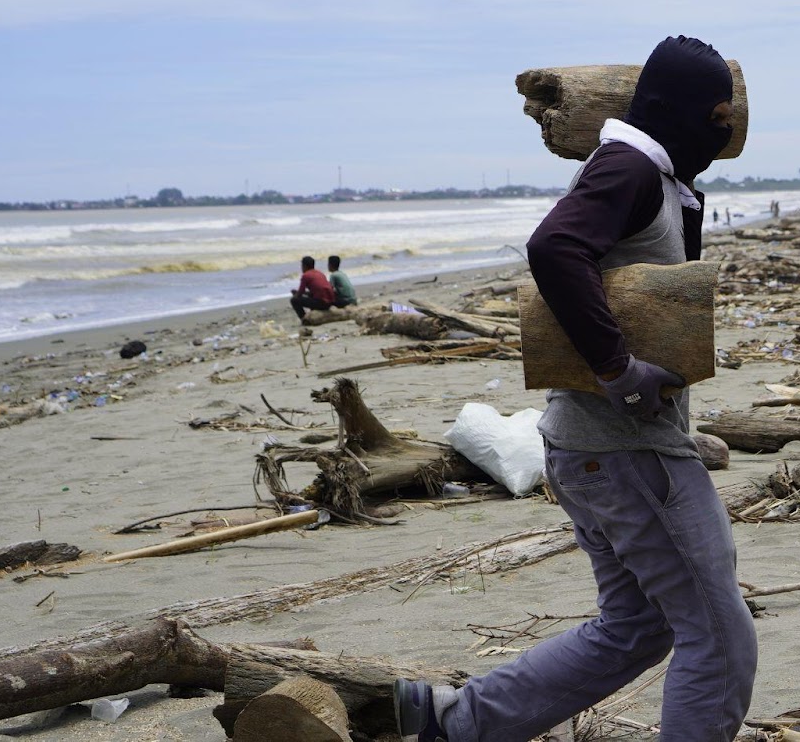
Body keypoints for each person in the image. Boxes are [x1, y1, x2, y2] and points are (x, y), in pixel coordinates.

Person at [394, 36, 758, 742]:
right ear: (678, 111)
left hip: (590, 450)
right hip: (628, 453)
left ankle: (453, 723)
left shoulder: (650, 174)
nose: (722, 131)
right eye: (715, 116)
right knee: (718, 637)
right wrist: (619, 371)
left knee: (636, 626)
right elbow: (554, 248)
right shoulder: (629, 165)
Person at [289, 256, 335, 321]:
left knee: (294, 300)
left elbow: (300, 293)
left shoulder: (306, 275)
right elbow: (317, 290)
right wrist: (301, 293)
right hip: (330, 303)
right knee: (311, 296)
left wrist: (295, 294)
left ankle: (304, 319)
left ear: (304, 266)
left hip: (321, 303)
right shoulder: (320, 273)